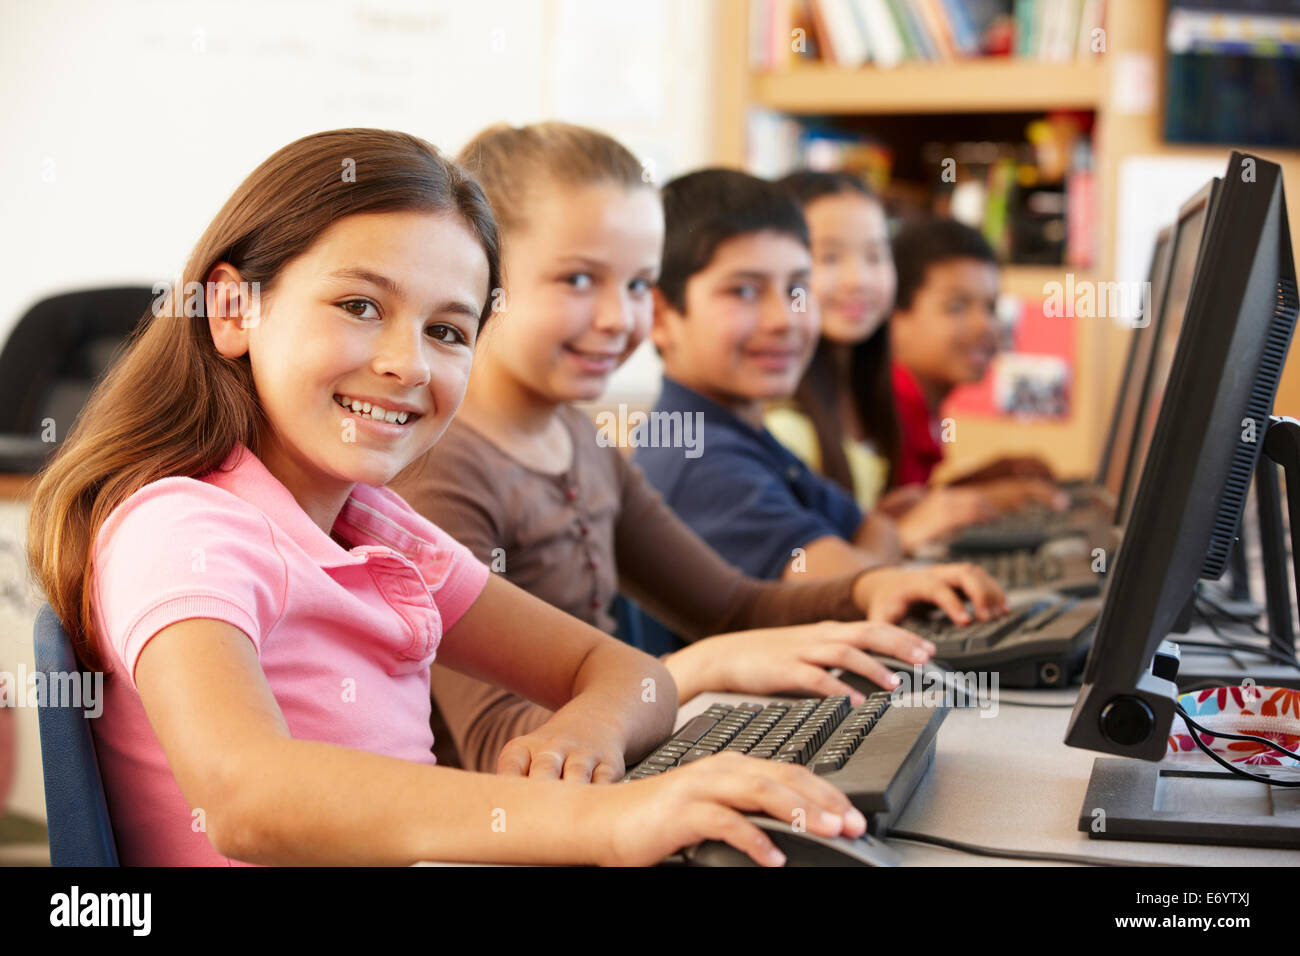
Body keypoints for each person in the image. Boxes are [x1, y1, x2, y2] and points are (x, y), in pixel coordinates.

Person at [25, 129, 866, 867]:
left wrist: (587, 735)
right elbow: (248, 797)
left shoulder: (377, 526)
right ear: (234, 308)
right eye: (360, 306)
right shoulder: (184, 528)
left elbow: (626, 672)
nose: (410, 364)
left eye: (447, 330)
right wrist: (601, 820)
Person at [387, 123, 1007, 773]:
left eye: (636, 285)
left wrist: (871, 589)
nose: (618, 319)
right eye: (578, 280)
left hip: (605, 784)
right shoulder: (437, 473)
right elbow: (502, 746)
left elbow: (730, 605)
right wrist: (696, 669)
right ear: (481, 276)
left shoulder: (578, 439)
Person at [767, 171, 1001, 553]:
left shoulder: (864, 395)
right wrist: (897, 539)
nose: (857, 278)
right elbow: (793, 580)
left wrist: (877, 521)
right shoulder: (783, 422)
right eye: (829, 256)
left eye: (875, 255)